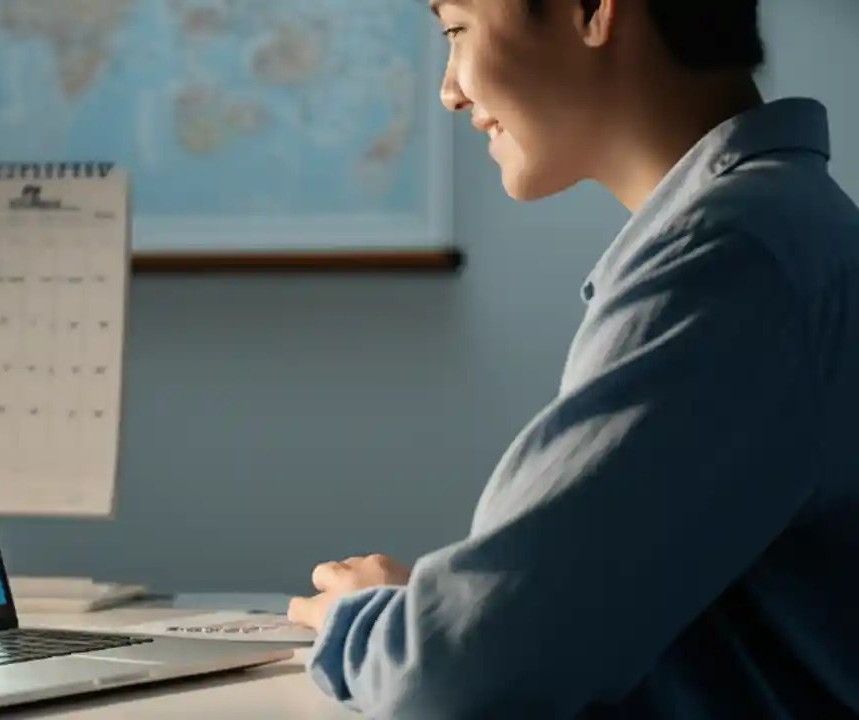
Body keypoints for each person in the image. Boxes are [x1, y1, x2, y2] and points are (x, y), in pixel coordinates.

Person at [287, 0, 859, 717]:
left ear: (593, 11)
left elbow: (456, 681)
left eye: (455, 29)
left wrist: (366, 620)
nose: (449, 89)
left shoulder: (730, 259)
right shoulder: (781, 226)